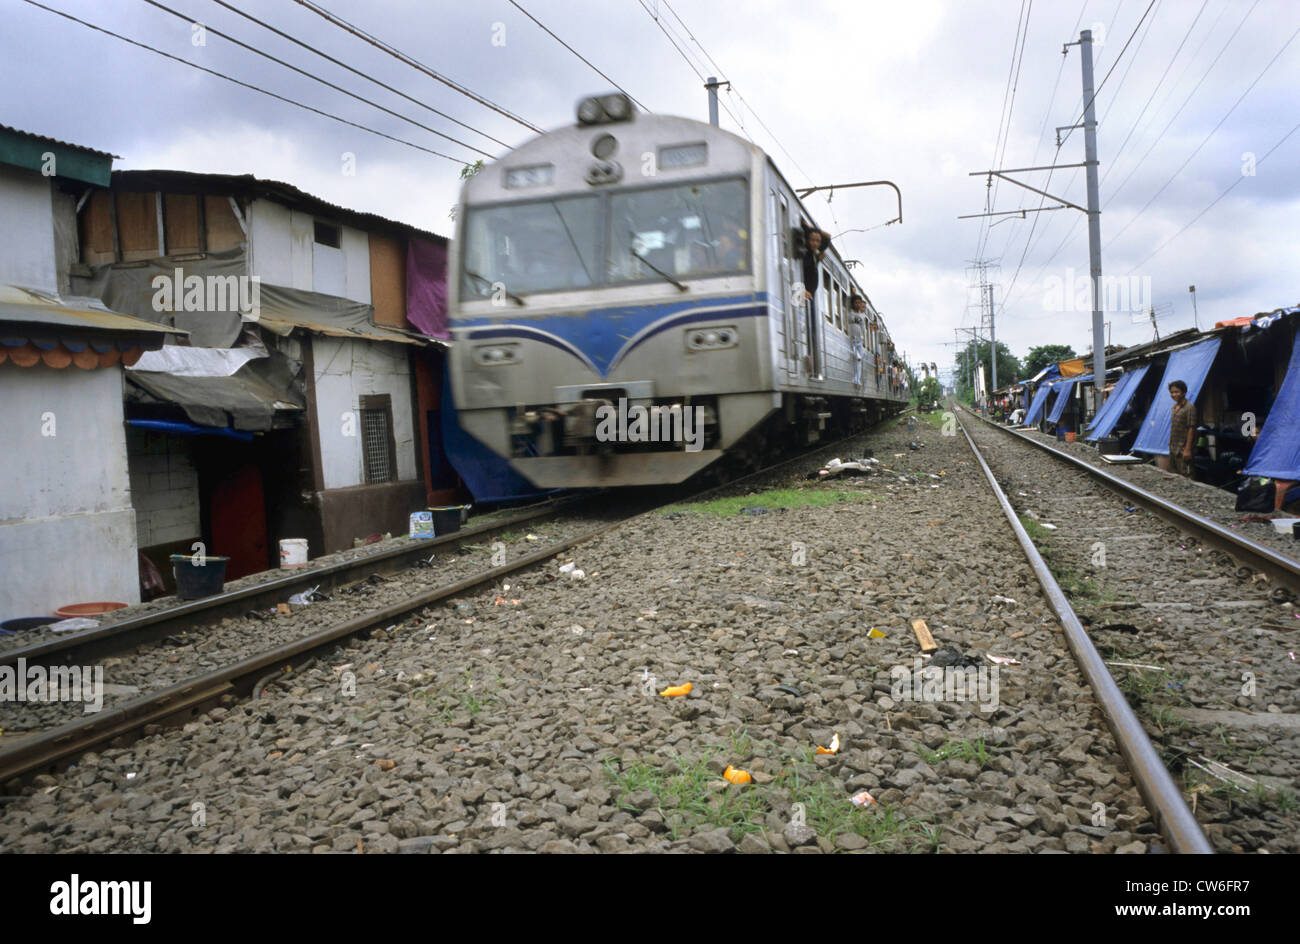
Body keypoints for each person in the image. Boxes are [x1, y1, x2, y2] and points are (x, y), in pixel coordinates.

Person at [1168, 379, 1197, 477]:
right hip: (1173, 447)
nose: (1174, 394)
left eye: (1176, 392)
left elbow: (1191, 428)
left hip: (1183, 448)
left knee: (1186, 475)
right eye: (1172, 392)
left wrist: (1188, 449)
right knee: (1174, 474)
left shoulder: (1189, 407)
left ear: (1183, 392)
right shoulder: (1174, 407)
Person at [848, 295, 867, 385]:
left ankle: (857, 379)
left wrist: (863, 337)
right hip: (852, 339)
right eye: (856, 303)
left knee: (859, 359)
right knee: (856, 358)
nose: (858, 304)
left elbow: (863, 327)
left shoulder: (862, 316)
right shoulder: (850, 313)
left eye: (859, 303)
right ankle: (854, 378)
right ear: (852, 304)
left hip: (859, 340)